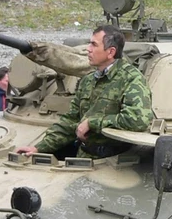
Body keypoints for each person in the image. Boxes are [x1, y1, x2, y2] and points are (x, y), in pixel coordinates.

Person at [16, 25, 152, 159]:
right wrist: (39, 148)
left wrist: (92, 123)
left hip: (113, 162)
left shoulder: (131, 79)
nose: (88, 49)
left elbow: (138, 120)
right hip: (84, 157)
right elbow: (71, 120)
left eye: (94, 45)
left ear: (110, 52)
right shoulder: (88, 80)